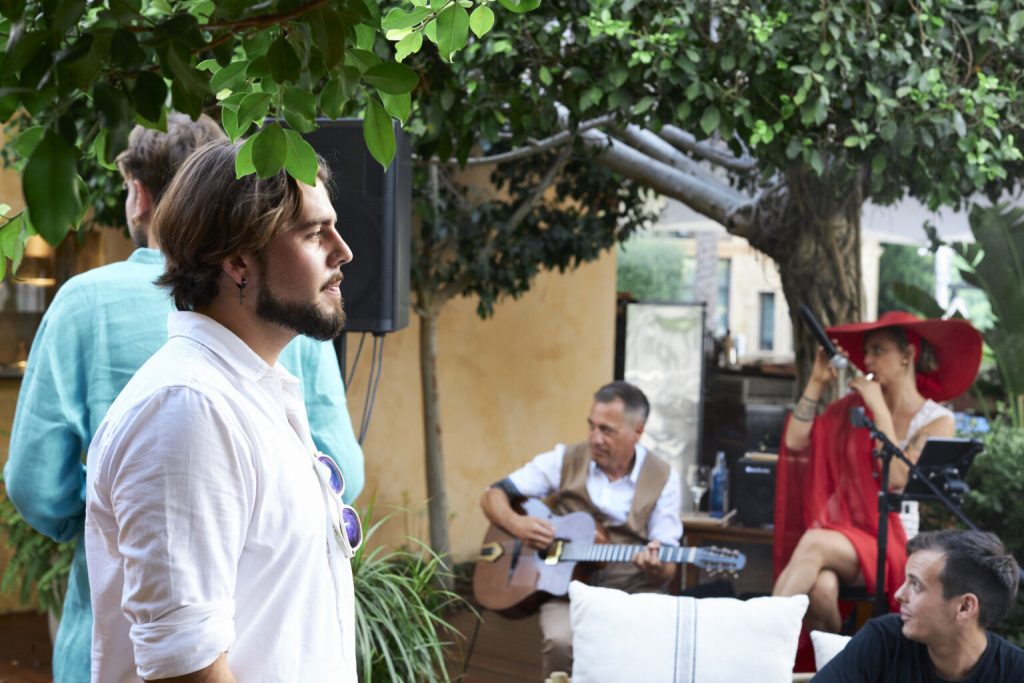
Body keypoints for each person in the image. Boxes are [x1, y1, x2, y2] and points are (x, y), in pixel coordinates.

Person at [3, 115, 362, 683]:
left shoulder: (256, 390)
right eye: (315, 233)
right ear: (238, 262)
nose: (343, 251)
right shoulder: (187, 411)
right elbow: (186, 669)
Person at [773, 311, 983, 636]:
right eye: (867, 352)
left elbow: (897, 476)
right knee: (821, 591)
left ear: (907, 356)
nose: (868, 360)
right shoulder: (856, 407)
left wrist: (878, 408)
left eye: (879, 350)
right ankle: (838, 663)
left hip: (897, 538)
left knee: (814, 542)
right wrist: (816, 381)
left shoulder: (937, 420)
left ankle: (753, 634)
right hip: (848, 530)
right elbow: (795, 440)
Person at [480, 381, 683, 678]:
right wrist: (518, 525)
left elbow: (667, 567)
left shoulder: (664, 477)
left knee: (655, 640)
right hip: (566, 587)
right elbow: (492, 495)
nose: (595, 438)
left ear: (638, 431)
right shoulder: (564, 459)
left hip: (633, 585)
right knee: (560, 641)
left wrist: (657, 567)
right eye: (592, 426)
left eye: (607, 430)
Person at [813, 530, 1024, 681]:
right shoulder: (884, 641)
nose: (898, 595)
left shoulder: (1015, 672)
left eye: (916, 584)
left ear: (964, 608)